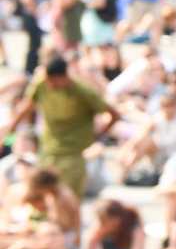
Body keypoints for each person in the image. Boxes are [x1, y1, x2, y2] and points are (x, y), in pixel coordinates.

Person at [7, 55, 114, 196]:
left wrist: (97, 136)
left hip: (74, 154)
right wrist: (9, 131)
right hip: (49, 150)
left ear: (63, 77)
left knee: (68, 197)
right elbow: (27, 106)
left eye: (53, 81)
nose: (50, 85)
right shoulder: (41, 85)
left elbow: (113, 114)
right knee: (43, 195)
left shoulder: (83, 92)